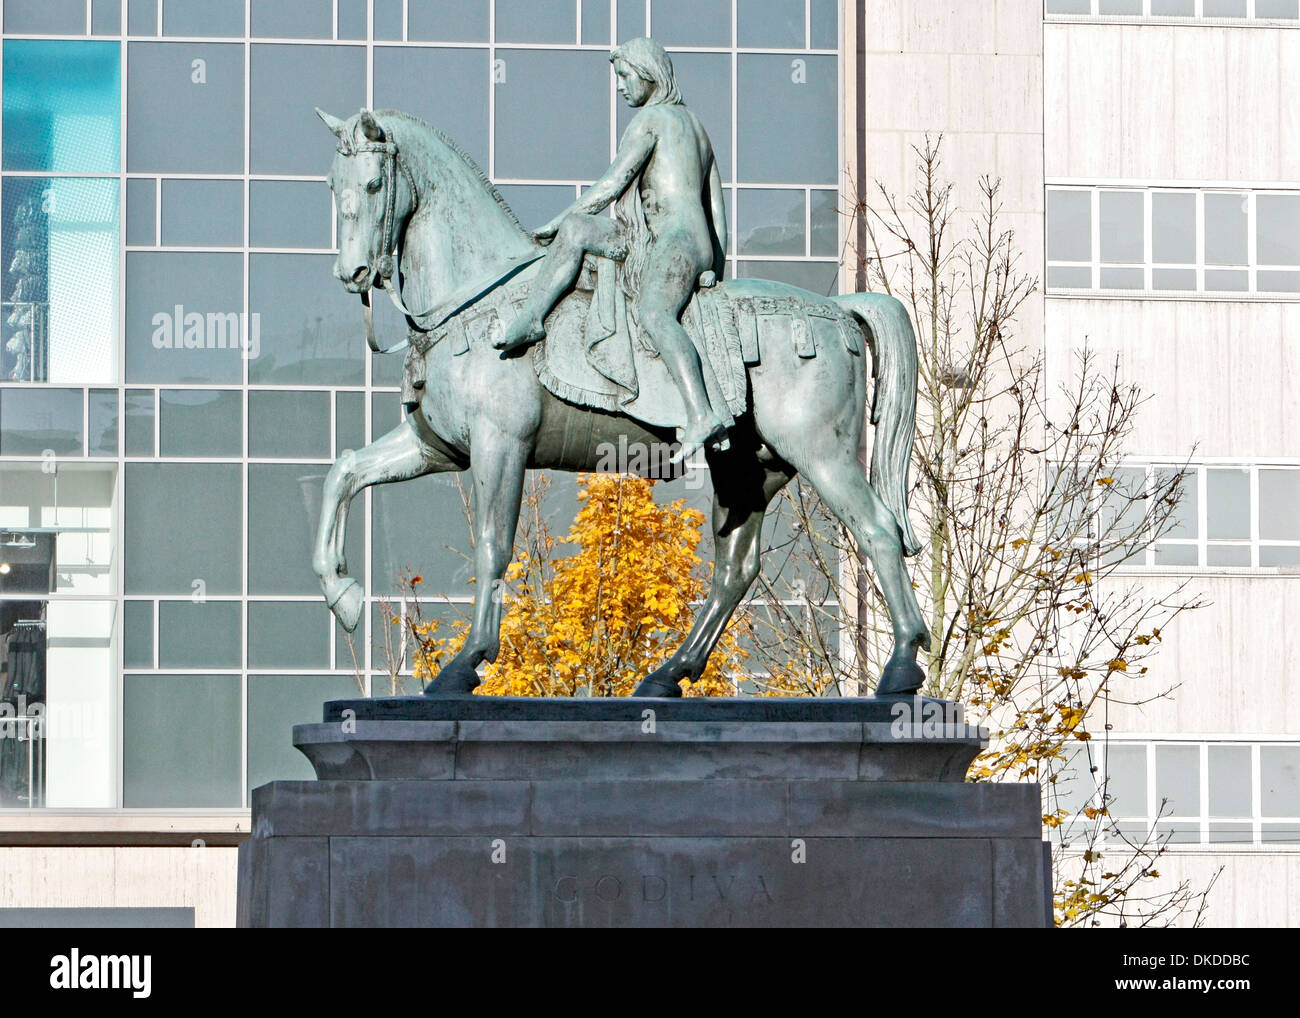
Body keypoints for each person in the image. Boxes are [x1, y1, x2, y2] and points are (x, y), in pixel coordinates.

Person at [495, 37, 729, 462]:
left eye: (624, 76)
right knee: (580, 232)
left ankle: (700, 413)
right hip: (683, 243)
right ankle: (532, 317)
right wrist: (716, 261)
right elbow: (718, 208)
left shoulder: (651, 120)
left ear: (648, 74)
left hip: (673, 241)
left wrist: (556, 220)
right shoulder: (697, 127)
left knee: (655, 313)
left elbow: (612, 184)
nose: (620, 86)